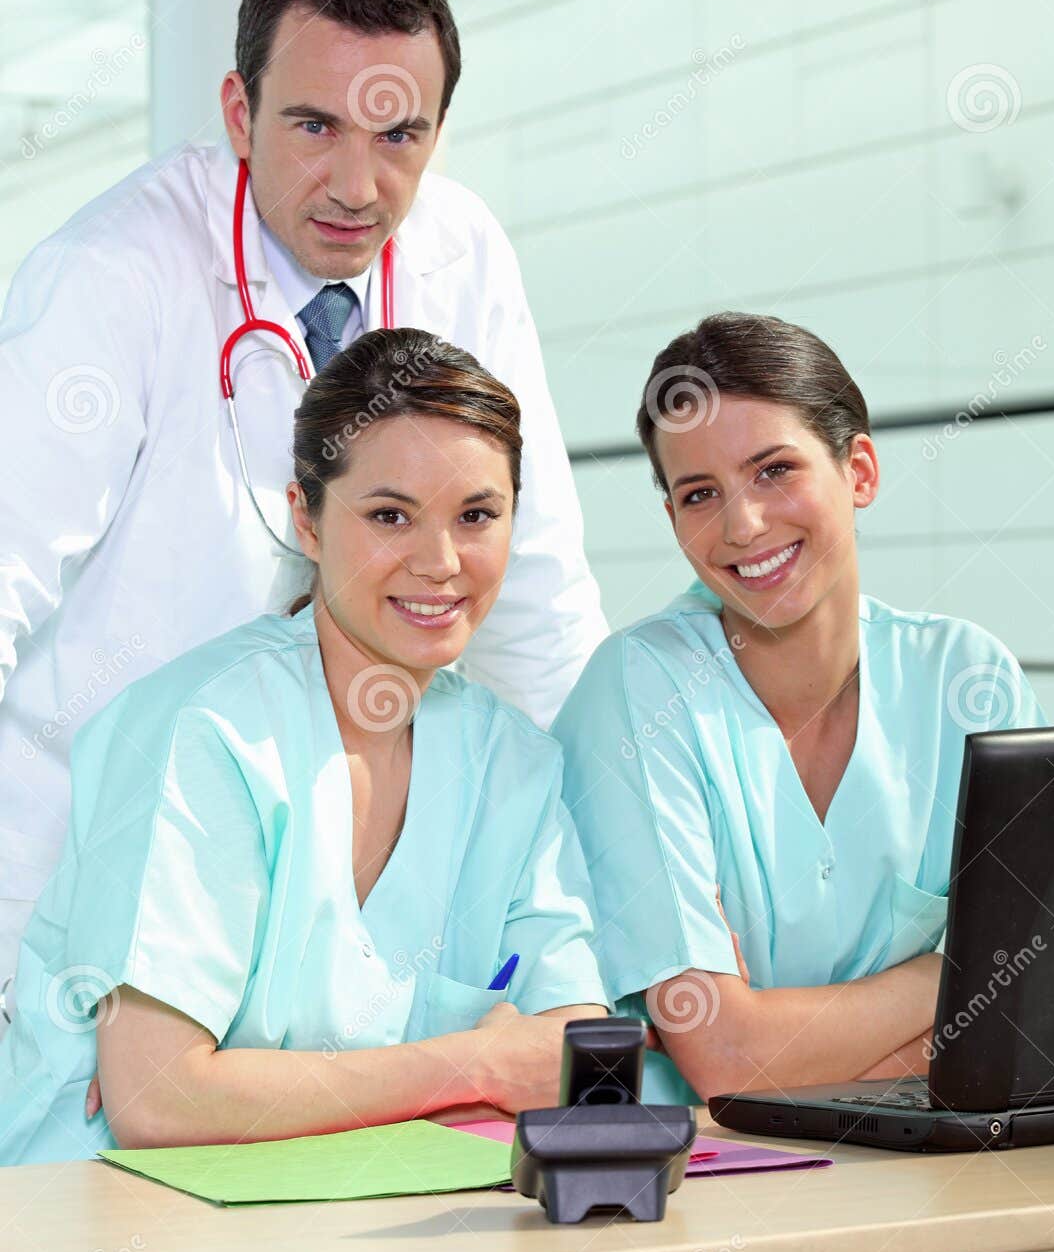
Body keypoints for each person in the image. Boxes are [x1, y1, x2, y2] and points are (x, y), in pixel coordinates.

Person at [0, 0, 606, 1006]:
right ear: (239, 112)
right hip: (79, 859)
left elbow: (538, 597)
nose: (356, 185)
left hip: (308, 875)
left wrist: (608, 866)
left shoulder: (461, 254)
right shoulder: (111, 276)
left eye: (398, 134)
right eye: (314, 126)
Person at [0, 330, 607, 1165]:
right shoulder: (204, 730)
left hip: (354, 1229)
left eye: (476, 516)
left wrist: (277, 1089)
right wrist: (473, 1062)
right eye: (390, 515)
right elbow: (156, 1098)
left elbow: (577, 1049)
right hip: (107, 1231)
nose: (439, 562)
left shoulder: (513, 765)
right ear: (308, 521)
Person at [553, 311, 1042, 1252]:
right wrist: (936, 986)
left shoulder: (968, 679)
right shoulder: (635, 692)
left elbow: (1025, 1046)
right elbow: (721, 1056)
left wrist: (789, 1038)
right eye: (697, 493)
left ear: (856, 470)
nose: (739, 526)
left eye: (773, 469)